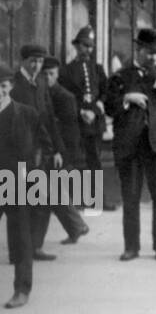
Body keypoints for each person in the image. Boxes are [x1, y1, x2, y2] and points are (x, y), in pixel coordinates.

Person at [104, 28, 156, 262]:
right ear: (139, 50)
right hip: (130, 144)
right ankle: (131, 247)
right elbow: (108, 106)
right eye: (151, 52)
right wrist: (127, 98)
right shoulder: (121, 75)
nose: (154, 57)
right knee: (131, 198)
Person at [14, 46, 85, 256]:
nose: (36, 66)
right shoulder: (14, 85)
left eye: (40, 62)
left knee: (41, 201)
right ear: (23, 61)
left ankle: (35, 247)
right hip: (21, 151)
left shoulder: (42, 82)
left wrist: (57, 150)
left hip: (42, 151)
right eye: (32, 61)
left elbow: (49, 119)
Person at [59, 26, 112, 210]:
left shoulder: (97, 69)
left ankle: (98, 200)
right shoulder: (66, 71)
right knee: (78, 161)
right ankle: (80, 200)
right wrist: (81, 112)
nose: (88, 49)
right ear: (76, 46)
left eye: (90, 46)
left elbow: (106, 93)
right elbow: (65, 96)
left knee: (95, 160)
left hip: (95, 123)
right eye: (84, 45)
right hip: (77, 122)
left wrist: (95, 111)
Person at [0, 66, 39, 307]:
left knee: (22, 237)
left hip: (16, 182)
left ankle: (22, 290)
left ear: (11, 87)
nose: (0, 90)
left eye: (4, 85)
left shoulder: (26, 113)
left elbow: (38, 144)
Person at [40, 56, 88, 239]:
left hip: (61, 151)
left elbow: (70, 130)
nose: (47, 78)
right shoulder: (41, 94)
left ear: (57, 74)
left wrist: (63, 154)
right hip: (49, 150)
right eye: (44, 74)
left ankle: (77, 227)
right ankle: (76, 228)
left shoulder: (65, 97)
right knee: (52, 193)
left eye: (51, 74)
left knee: (51, 193)